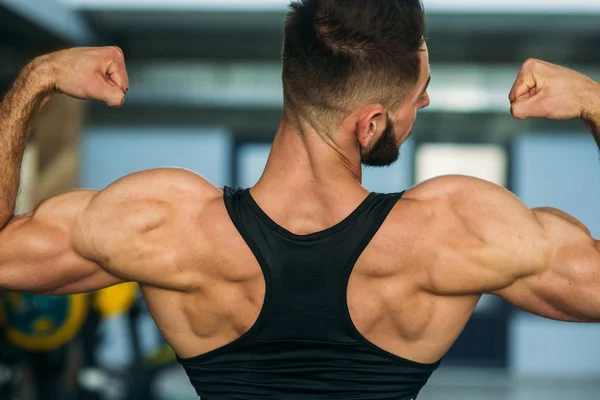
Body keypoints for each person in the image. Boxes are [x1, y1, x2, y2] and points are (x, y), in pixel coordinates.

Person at [1, 0, 599, 399]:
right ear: (369, 126)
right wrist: (595, 101)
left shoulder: (165, 221)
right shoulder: (458, 230)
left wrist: (36, 80)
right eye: (421, 93)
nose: (423, 105)